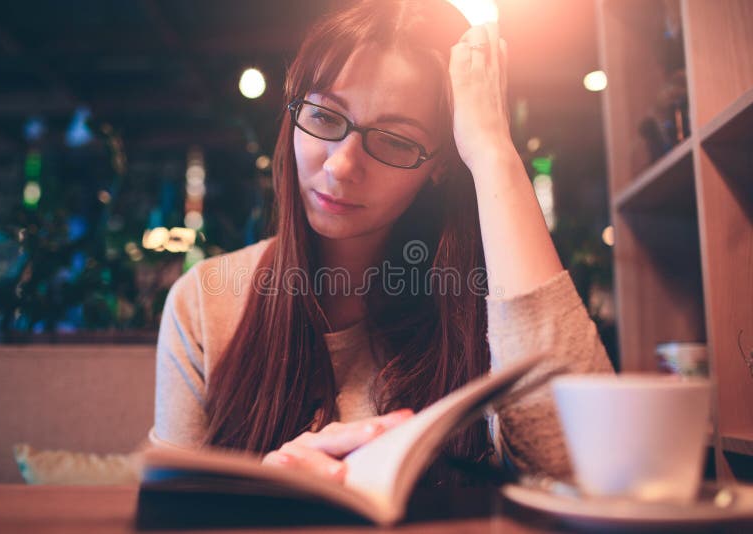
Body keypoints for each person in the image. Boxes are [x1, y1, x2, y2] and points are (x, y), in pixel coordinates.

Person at [150, 0, 613, 485]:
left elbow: (590, 467)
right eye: (325, 118)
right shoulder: (205, 302)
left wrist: (493, 149)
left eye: (394, 140)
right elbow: (169, 514)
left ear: (440, 166)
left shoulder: (484, 310)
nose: (341, 167)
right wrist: (263, 495)